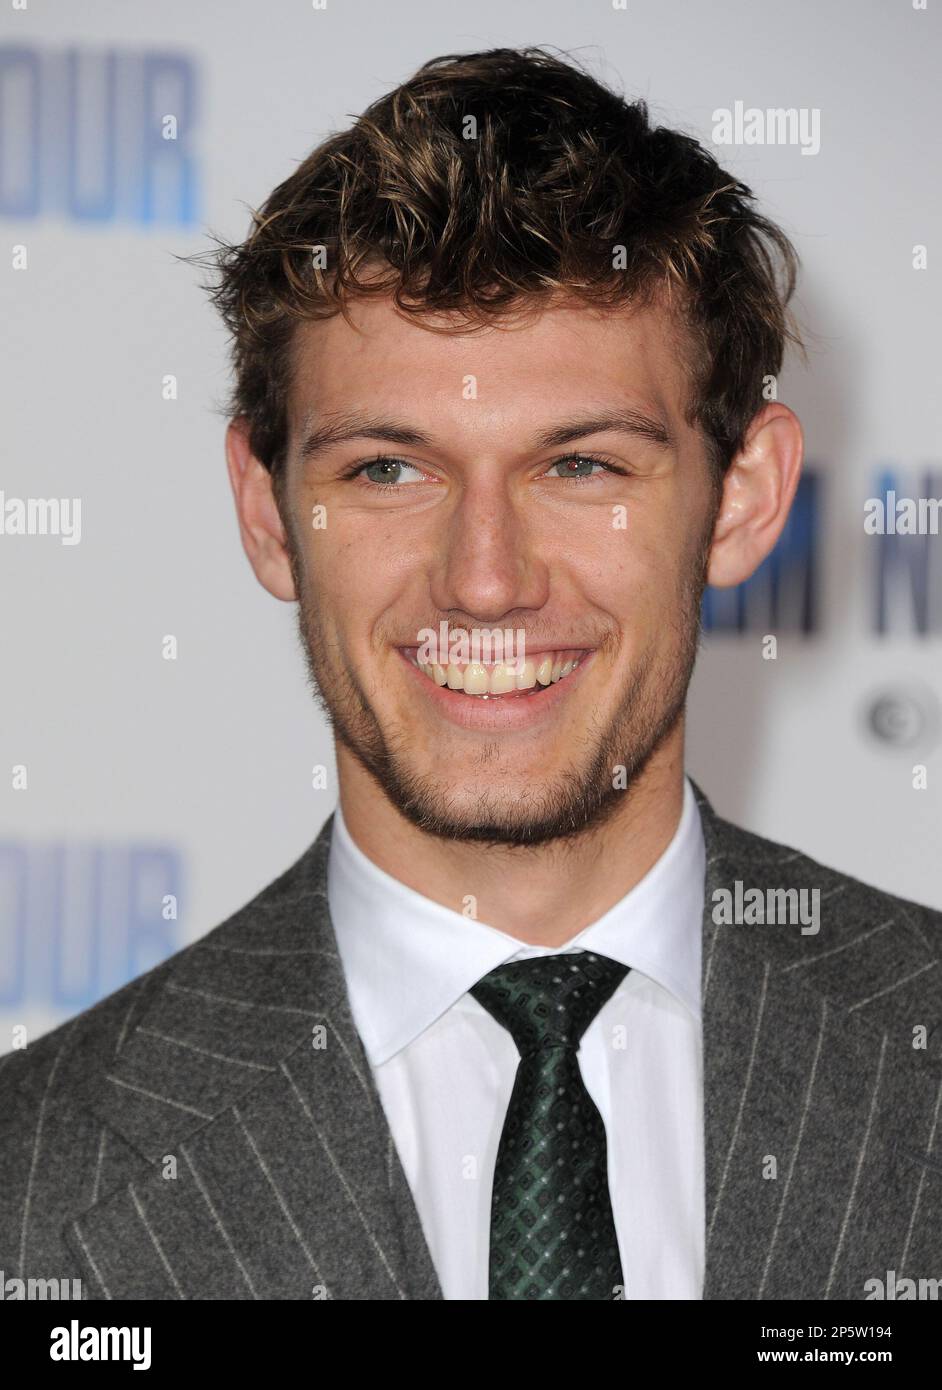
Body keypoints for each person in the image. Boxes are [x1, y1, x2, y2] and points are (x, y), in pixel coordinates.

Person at [2, 46, 939, 1302]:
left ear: (743, 501)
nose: (485, 579)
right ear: (269, 513)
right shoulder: (30, 1179)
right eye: (389, 469)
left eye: (583, 466)